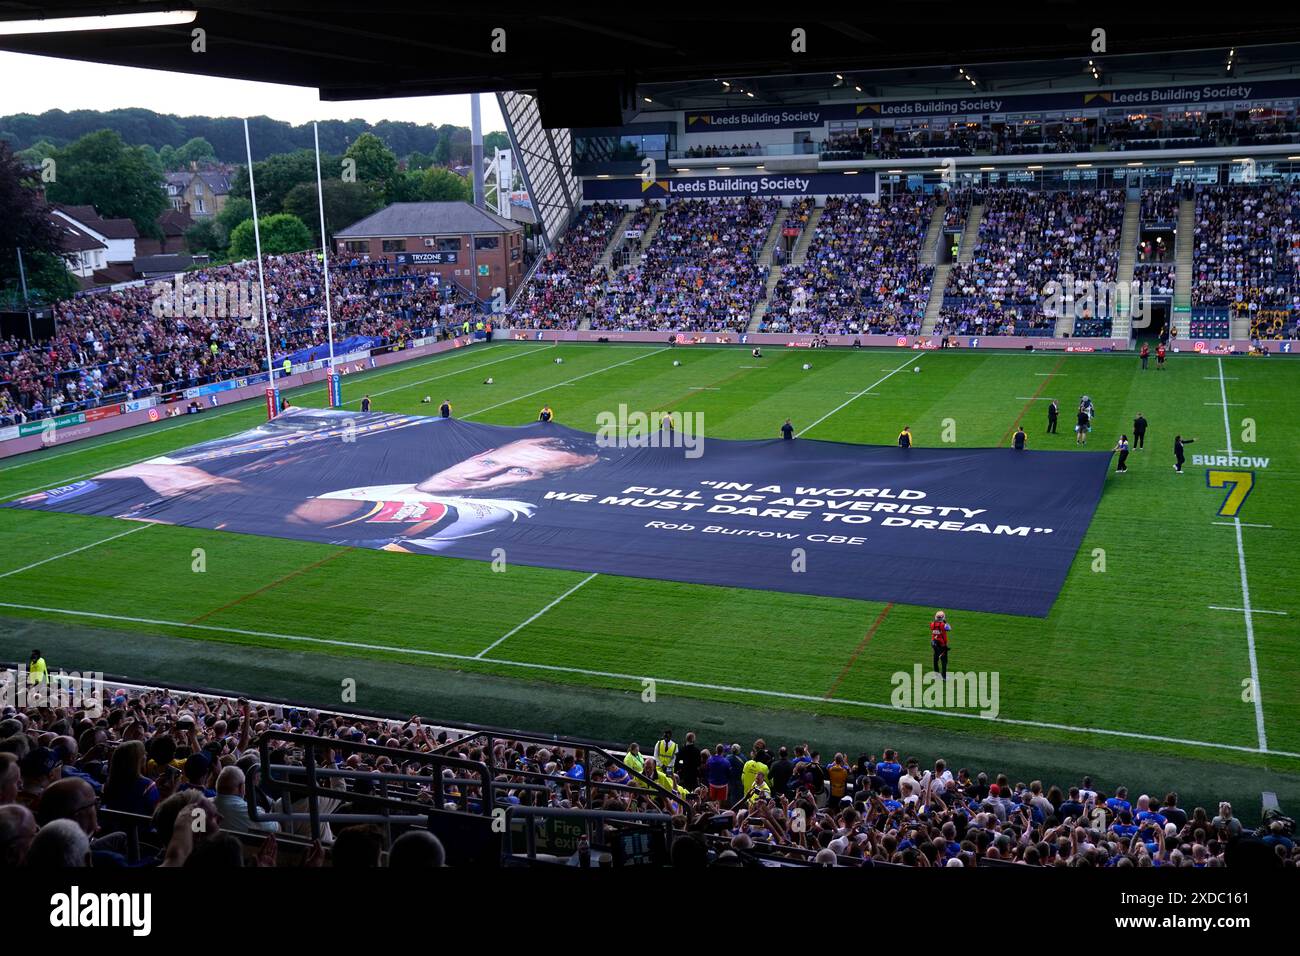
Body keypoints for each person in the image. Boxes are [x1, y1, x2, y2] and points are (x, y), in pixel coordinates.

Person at [930, 611, 951, 679]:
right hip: (942, 645)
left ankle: (936, 674)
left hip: (935, 644)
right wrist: (945, 622)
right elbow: (949, 628)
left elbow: (933, 628)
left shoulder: (932, 624)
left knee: (935, 660)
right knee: (944, 661)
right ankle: (944, 676)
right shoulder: (943, 625)